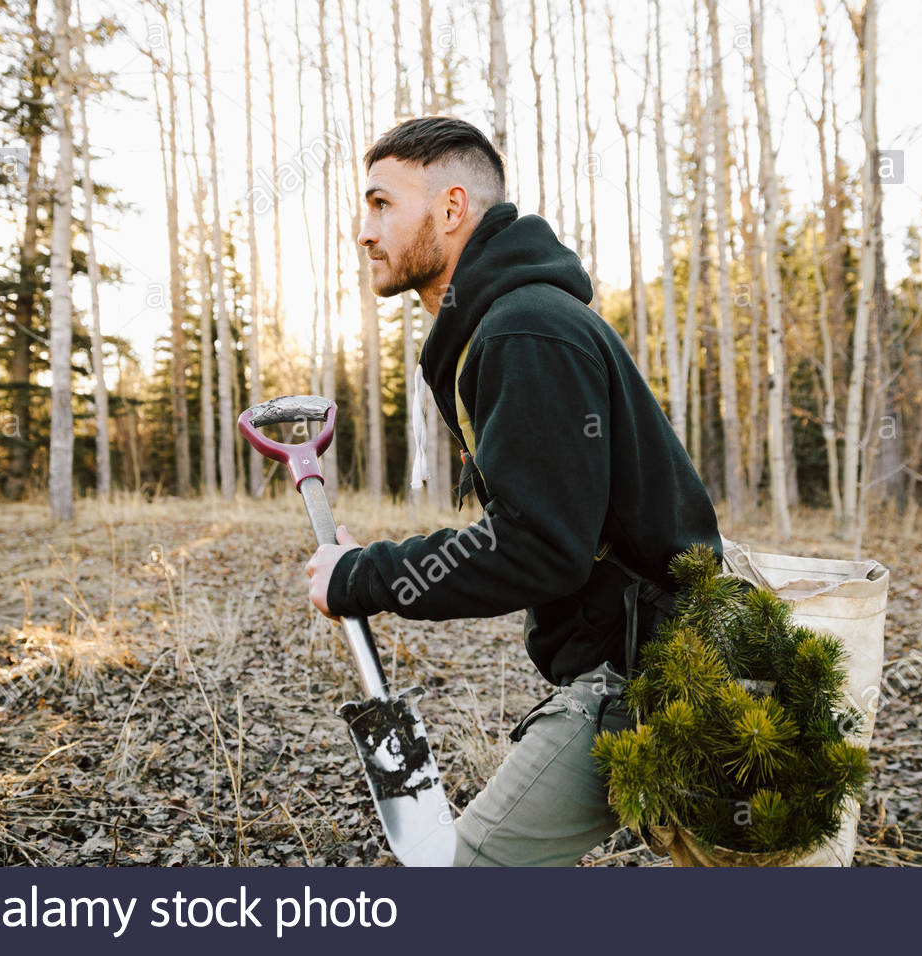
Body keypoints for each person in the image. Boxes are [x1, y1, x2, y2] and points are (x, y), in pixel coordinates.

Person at [304, 116, 721, 866]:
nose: (363, 232)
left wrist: (366, 577)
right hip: (633, 656)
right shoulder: (510, 323)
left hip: (644, 677)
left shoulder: (523, 331)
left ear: (452, 208)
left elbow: (540, 545)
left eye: (382, 204)